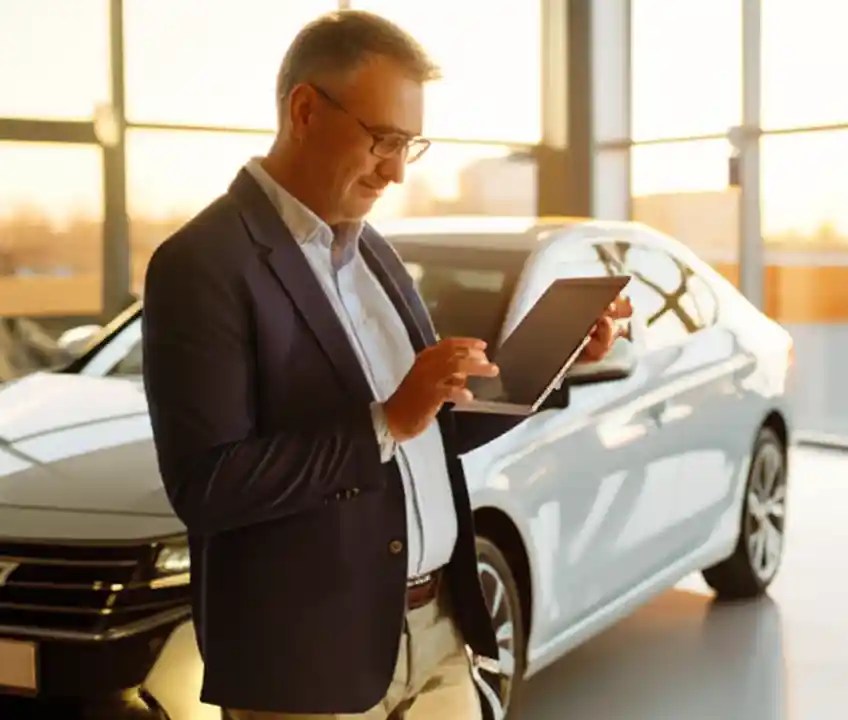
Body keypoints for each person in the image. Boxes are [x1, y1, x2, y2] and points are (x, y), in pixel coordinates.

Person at [141, 10, 630, 719]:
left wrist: (552, 359)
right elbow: (208, 485)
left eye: (410, 145)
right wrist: (385, 420)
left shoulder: (373, 253)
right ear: (305, 110)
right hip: (308, 661)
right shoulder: (202, 264)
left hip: (438, 634)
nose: (399, 171)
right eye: (384, 141)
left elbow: (431, 425)